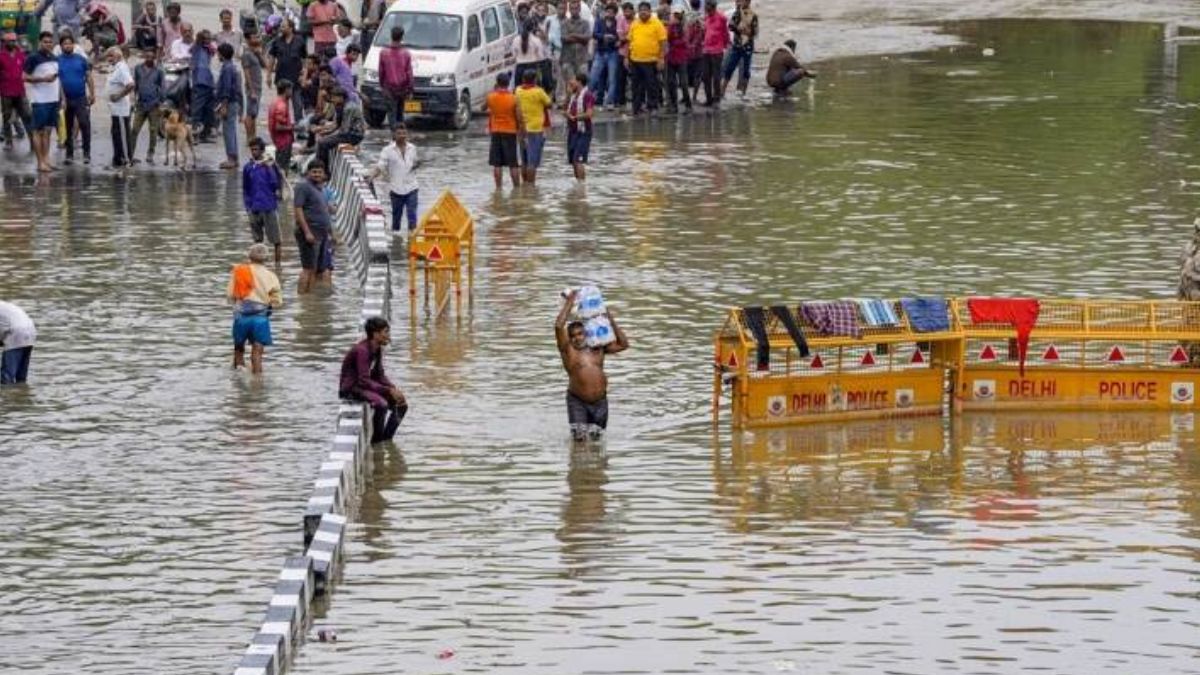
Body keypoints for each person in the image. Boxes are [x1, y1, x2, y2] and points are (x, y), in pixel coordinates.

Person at [555, 289, 629, 441]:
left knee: (597, 441)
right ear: (569, 339)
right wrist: (570, 301)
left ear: (587, 333)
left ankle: (597, 466)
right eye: (573, 336)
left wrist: (610, 319)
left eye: (580, 334)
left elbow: (623, 344)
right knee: (580, 441)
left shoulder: (598, 347)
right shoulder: (568, 350)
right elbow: (558, 326)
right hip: (577, 401)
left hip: (601, 402)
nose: (577, 338)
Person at [339, 317, 408, 444]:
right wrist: (387, 390)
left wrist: (393, 389)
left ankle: (386, 440)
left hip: (364, 386)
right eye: (386, 332)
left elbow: (379, 375)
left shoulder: (377, 349)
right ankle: (376, 442)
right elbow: (363, 380)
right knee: (382, 404)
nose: (388, 336)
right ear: (376, 334)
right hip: (352, 388)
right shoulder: (362, 351)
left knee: (401, 405)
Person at [227, 243, 282, 374]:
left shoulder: (239, 272)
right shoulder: (271, 276)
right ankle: (258, 385)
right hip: (260, 320)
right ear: (266, 259)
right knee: (257, 354)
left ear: (249, 257)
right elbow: (277, 301)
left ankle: (238, 382)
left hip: (241, 319)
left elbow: (230, 295)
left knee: (238, 350)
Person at [369, 123, 419, 236]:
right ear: (394, 135)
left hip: (412, 188)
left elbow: (415, 163)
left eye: (404, 133)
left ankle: (412, 242)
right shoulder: (387, 150)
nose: (402, 135)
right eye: (399, 133)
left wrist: (417, 165)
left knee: (412, 215)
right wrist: (371, 176)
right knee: (396, 221)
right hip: (396, 190)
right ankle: (396, 244)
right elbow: (380, 166)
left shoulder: (413, 148)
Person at [293, 159, 334, 294]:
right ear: (308, 173)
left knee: (315, 269)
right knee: (308, 268)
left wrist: (330, 233)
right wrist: (307, 232)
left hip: (321, 233)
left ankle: (309, 300)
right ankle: (303, 299)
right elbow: (298, 209)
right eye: (314, 172)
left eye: (319, 172)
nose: (317, 174)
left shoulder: (320, 189)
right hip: (310, 232)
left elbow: (323, 211)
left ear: (324, 174)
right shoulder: (303, 187)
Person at [23, 32, 59, 173]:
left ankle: (46, 160)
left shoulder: (55, 58)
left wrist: (62, 98)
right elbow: (24, 77)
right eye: (45, 42)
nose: (48, 44)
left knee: (48, 131)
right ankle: (40, 163)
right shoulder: (33, 58)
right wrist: (43, 79)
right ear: (39, 42)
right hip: (40, 100)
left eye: (50, 42)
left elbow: (58, 80)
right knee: (38, 131)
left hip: (53, 99)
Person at [56, 33, 91, 166]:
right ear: (61, 46)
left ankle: (87, 153)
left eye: (70, 43)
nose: (68, 45)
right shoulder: (57, 60)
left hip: (81, 97)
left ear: (73, 45)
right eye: (65, 43)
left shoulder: (81, 59)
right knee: (68, 127)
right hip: (65, 99)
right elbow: (58, 80)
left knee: (84, 124)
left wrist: (92, 93)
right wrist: (62, 98)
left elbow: (88, 76)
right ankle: (69, 154)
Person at [625, 1, 666, 116]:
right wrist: (626, 58)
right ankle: (636, 108)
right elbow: (629, 41)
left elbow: (663, 42)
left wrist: (661, 58)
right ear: (638, 11)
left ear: (650, 11)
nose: (643, 12)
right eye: (641, 10)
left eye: (645, 10)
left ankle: (653, 107)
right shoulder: (634, 23)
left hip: (651, 60)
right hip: (635, 60)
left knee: (651, 85)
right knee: (636, 86)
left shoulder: (657, 23)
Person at [483, 72, 520, 189]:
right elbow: (519, 117)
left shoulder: (490, 97)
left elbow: (482, 108)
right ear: (508, 83)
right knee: (513, 164)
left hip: (496, 131)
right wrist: (522, 130)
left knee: (497, 163)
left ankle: (498, 188)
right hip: (510, 132)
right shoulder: (514, 98)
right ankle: (516, 188)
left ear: (497, 83)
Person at [515, 68, 551, 185]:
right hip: (535, 130)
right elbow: (549, 103)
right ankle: (531, 188)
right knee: (532, 162)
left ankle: (524, 185)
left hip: (521, 130)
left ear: (523, 79)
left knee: (524, 161)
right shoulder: (538, 91)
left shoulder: (518, 90)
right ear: (535, 80)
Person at [267, 18, 306, 122]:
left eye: (283, 26)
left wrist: (304, 75)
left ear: (291, 28)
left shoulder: (300, 41)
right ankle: (283, 125)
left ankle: (299, 127)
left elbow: (305, 59)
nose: (281, 28)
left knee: (298, 105)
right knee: (282, 105)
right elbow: (271, 58)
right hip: (281, 78)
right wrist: (268, 75)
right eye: (281, 26)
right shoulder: (277, 41)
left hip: (295, 78)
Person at [315, 86, 364, 167]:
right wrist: (325, 131)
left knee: (323, 143)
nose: (332, 99)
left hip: (354, 135)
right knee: (322, 140)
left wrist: (330, 136)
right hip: (346, 133)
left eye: (334, 97)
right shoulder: (339, 107)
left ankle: (324, 168)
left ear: (341, 97)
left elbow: (345, 130)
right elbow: (337, 124)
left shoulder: (349, 108)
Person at [130, 48, 164, 163]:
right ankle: (130, 153)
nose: (149, 59)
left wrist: (160, 101)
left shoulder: (159, 71)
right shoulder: (138, 69)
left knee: (153, 130)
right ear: (144, 57)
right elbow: (135, 84)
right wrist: (133, 98)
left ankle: (150, 153)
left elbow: (162, 87)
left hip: (154, 104)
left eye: (152, 57)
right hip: (140, 104)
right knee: (134, 129)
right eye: (147, 57)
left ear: (154, 58)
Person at [1, 32, 32, 151]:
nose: (12, 43)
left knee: (27, 115)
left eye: (14, 41)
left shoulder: (21, 55)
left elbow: (27, 70)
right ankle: (9, 141)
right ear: (4, 42)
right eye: (10, 41)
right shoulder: (1, 55)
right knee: (7, 117)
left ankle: (32, 139)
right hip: (6, 92)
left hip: (20, 91)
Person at [377, 25, 412, 129]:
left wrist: (382, 86)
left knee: (392, 114)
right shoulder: (406, 53)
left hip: (389, 88)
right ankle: (400, 136)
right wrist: (410, 89)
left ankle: (394, 136)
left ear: (391, 36)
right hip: (402, 88)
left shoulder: (384, 53)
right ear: (402, 37)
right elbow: (409, 73)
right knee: (400, 114)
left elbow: (381, 72)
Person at [104, 46, 134, 169]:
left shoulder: (122, 68)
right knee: (115, 134)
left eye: (111, 56)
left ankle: (126, 160)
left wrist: (118, 95)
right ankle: (117, 159)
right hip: (115, 110)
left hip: (121, 110)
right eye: (108, 56)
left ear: (119, 56)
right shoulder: (114, 68)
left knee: (122, 134)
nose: (109, 59)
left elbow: (130, 85)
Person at [722, 0, 757, 98]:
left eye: (741, 1)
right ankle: (722, 93)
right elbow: (730, 26)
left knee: (745, 71)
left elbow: (754, 33)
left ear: (748, 2)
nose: (738, 3)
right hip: (735, 46)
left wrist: (743, 30)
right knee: (728, 69)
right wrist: (739, 28)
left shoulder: (752, 15)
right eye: (737, 1)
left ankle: (741, 93)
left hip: (747, 47)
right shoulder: (735, 13)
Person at [589, 3, 619, 111]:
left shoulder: (617, 23)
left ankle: (609, 102)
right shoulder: (599, 21)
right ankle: (587, 100)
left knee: (612, 79)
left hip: (613, 53)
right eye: (608, 11)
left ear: (615, 14)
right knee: (593, 77)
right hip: (600, 53)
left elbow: (620, 35)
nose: (609, 14)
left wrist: (614, 38)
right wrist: (603, 36)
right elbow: (594, 34)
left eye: (612, 12)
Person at [560, 1, 590, 106]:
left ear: (579, 9)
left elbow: (587, 38)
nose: (574, 11)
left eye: (576, 8)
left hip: (582, 58)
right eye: (572, 9)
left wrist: (573, 34)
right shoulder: (564, 23)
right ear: (569, 10)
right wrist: (579, 37)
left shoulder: (585, 23)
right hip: (568, 58)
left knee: (583, 82)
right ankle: (569, 104)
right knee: (570, 83)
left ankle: (583, 104)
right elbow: (564, 38)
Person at [565, 73, 593, 181]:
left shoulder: (587, 95)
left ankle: (582, 187)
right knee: (573, 160)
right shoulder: (573, 95)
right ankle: (578, 185)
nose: (571, 82)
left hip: (583, 131)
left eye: (573, 80)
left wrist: (575, 117)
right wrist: (568, 93)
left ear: (579, 82)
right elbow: (564, 107)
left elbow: (589, 114)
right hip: (572, 131)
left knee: (578, 160)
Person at [0, 300, 36, 385]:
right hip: (31, 331)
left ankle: (8, 396)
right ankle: (21, 394)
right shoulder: (5, 305)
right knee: (21, 377)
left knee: (6, 377)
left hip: (16, 332)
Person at [190, 29, 216, 142]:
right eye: (205, 39)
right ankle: (195, 135)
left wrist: (209, 42)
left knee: (209, 109)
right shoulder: (196, 48)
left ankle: (205, 134)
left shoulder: (208, 49)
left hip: (209, 81)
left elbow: (213, 50)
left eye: (209, 38)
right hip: (200, 81)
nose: (208, 40)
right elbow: (196, 43)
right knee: (198, 108)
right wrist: (201, 38)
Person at [700, 0, 728, 106]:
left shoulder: (722, 18)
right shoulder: (706, 18)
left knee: (716, 76)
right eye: (707, 7)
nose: (708, 10)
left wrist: (724, 46)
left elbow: (725, 33)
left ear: (714, 7)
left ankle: (716, 99)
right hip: (706, 50)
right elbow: (705, 33)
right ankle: (708, 99)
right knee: (706, 76)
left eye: (709, 8)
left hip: (717, 51)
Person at [664, 8, 691, 113]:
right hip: (671, 58)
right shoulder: (671, 27)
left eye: (676, 17)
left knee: (683, 83)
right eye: (674, 16)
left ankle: (688, 104)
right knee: (671, 82)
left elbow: (684, 41)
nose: (674, 18)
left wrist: (673, 42)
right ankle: (674, 106)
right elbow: (667, 38)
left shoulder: (684, 28)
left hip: (681, 59)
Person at [241, 32, 266, 139]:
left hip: (258, 87)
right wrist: (251, 90)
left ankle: (253, 136)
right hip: (252, 88)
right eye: (254, 36)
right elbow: (246, 73)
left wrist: (259, 54)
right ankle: (249, 137)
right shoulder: (246, 54)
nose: (257, 38)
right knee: (250, 113)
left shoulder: (255, 52)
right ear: (248, 40)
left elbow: (265, 65)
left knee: (254, 113)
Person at [514, 20, 549, 94]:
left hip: (519, 68)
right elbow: (540, 56)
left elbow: (514, 54)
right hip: (532, 68)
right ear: (533, 28)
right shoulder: (536, 40)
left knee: (519, 92)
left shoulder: (516, 40)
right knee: (533, 91)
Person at [267, 79, 295, 173]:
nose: (292, 92)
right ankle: (281, 187)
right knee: (282, 170)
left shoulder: (274, 103)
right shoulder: (281, 106)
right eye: (291, 90)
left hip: (278, 141)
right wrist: (292, 127)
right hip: (284, 141)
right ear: (286, 90)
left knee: (279, 168)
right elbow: (278, 127)